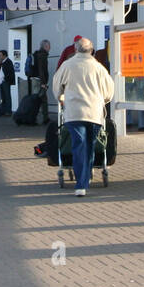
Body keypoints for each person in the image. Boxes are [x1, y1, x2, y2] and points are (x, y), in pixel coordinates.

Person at [51, 37, 114, 197]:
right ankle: (85, 177)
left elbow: (57, 87)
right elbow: (109, 92)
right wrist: (102, 100)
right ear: (91, 50)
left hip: (74, 113)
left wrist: (61, 98)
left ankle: (81, 183)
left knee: (79, 145)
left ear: (75, 49)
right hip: (94, 113)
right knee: (90, 145)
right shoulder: (99, 68)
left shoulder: (67, 65)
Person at [30, 39, 52, 122]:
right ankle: (33, 118)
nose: (50, 47)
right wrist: (43, 82)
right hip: (39, 80)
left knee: (41, 99)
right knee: (38, 99)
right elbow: (41, 69)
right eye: (49, 46)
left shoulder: (37, 54)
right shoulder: (42, 55)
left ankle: (44, 118)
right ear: (46, 46)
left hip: (36, 79)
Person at [0, 49, 16, 116]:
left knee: (7, 96)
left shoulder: (8, 62)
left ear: (4, 55)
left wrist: (6, 79)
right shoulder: (2, 62)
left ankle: (8, 111)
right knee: (3, 97)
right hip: (1, 82)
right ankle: (3, 110)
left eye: (0, 55)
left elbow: (10, 72)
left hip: (6, 81)